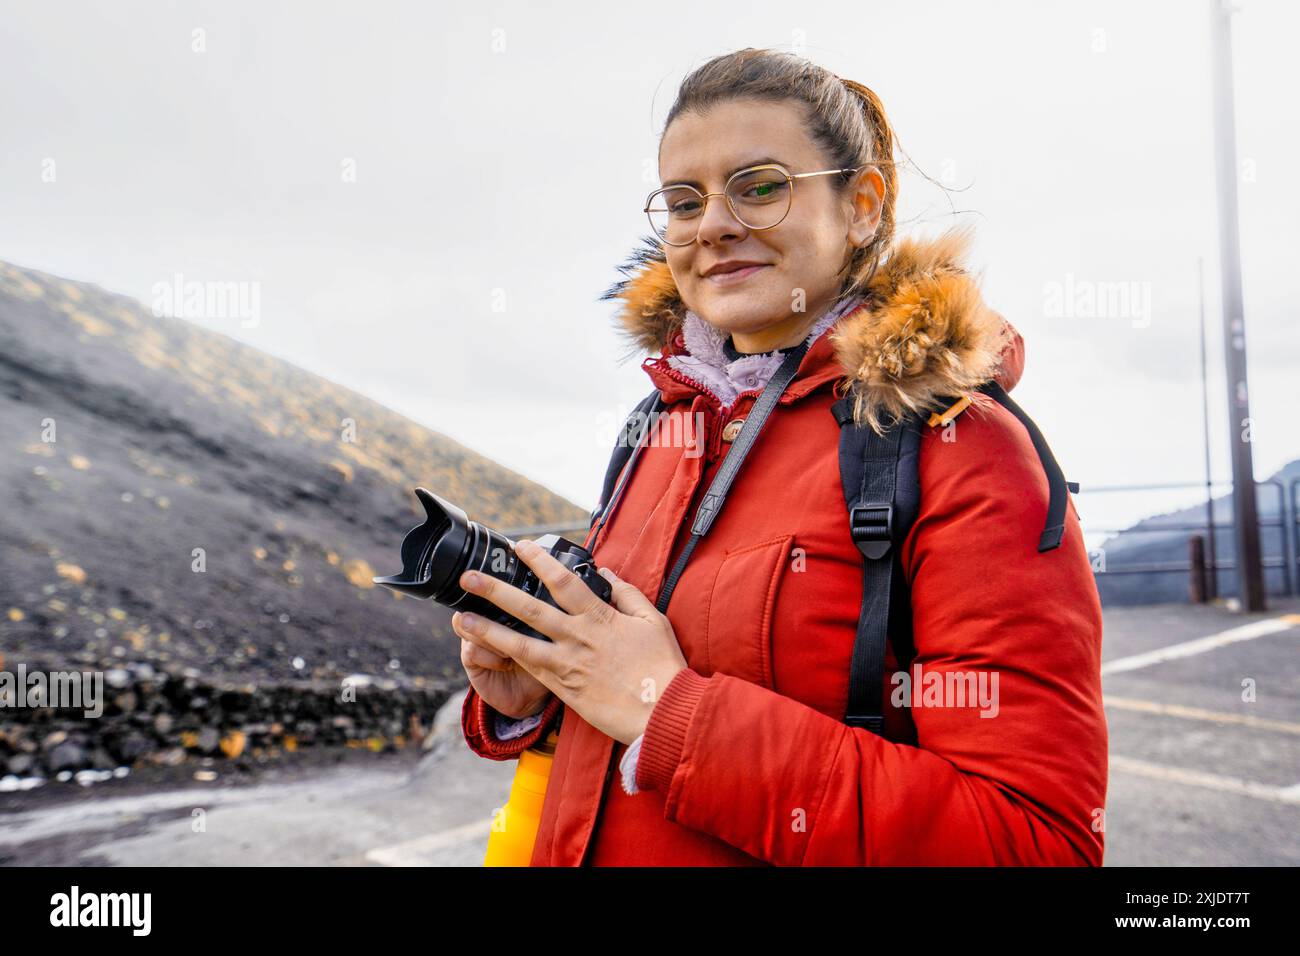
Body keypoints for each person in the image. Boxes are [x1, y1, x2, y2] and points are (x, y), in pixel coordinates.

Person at [453, 47, 1108, 866]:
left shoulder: (960, 448)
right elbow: (621, 692)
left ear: (862, 206)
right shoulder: (658, 429)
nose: (714, 225)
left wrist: (672, 714)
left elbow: (1031, 841)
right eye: (683, 201)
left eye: (760, 185)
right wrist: (540, 696)